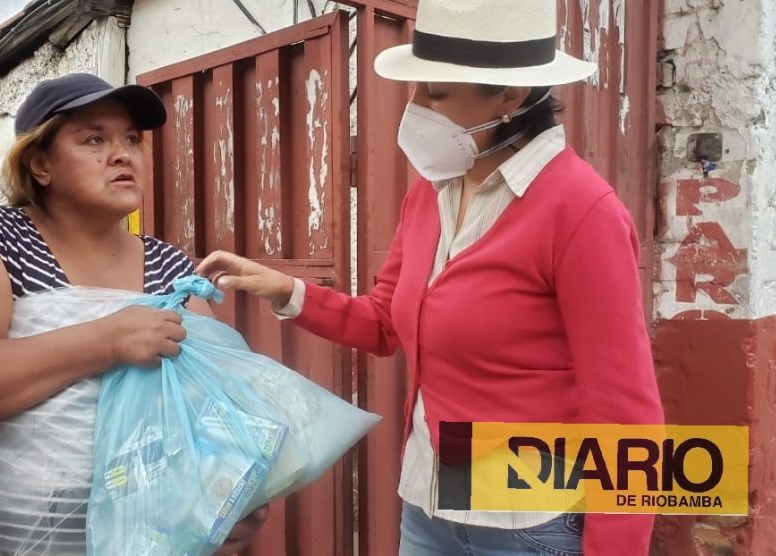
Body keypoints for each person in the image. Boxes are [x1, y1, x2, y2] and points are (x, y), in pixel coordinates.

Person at [197, 1, 665, 555]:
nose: (415, 107)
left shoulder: (582, 213)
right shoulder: (433, 190)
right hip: (426, 506)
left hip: (529, 527)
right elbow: (384, 321)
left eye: (436, 94)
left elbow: (626, 412)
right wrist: (286, 290)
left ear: (510, 97)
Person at [0, 73, 267, 555]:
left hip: (152, 538)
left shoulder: (171, 267)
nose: (123, 154)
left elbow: (215, 406)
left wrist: (241, 492)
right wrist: (108, 340)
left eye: (132, 139)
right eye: (93, 139)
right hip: (16, 540)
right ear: (40, 163)